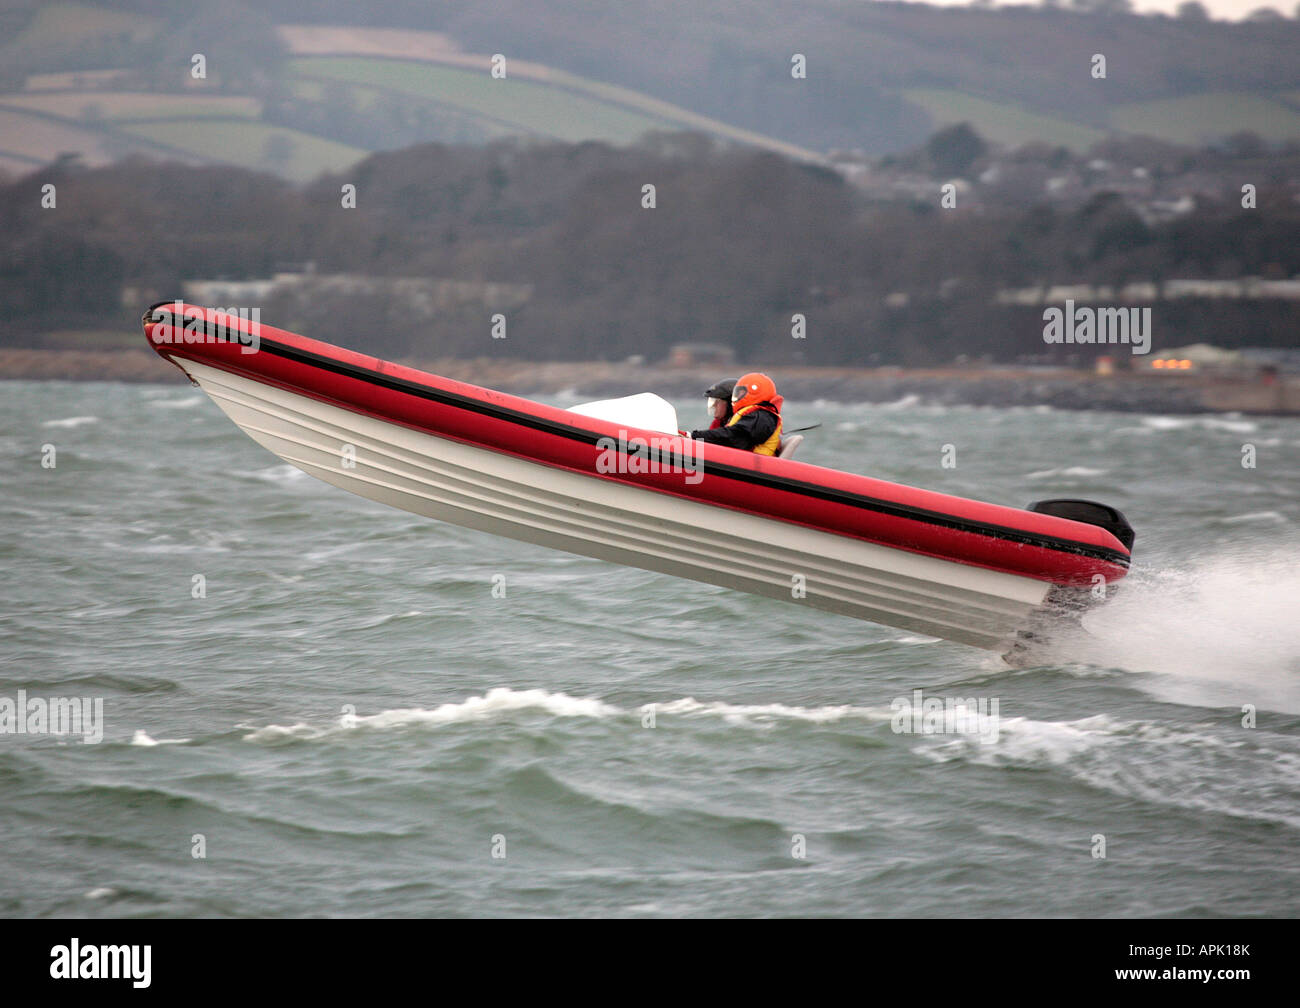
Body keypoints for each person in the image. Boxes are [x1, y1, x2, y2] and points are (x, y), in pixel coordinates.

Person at [689, 372, 783, 455]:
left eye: (740, 393)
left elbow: (735, 437)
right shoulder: (757, 416)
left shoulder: (761, 417)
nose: (736, 397)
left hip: (751, 469)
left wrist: (694, 436)